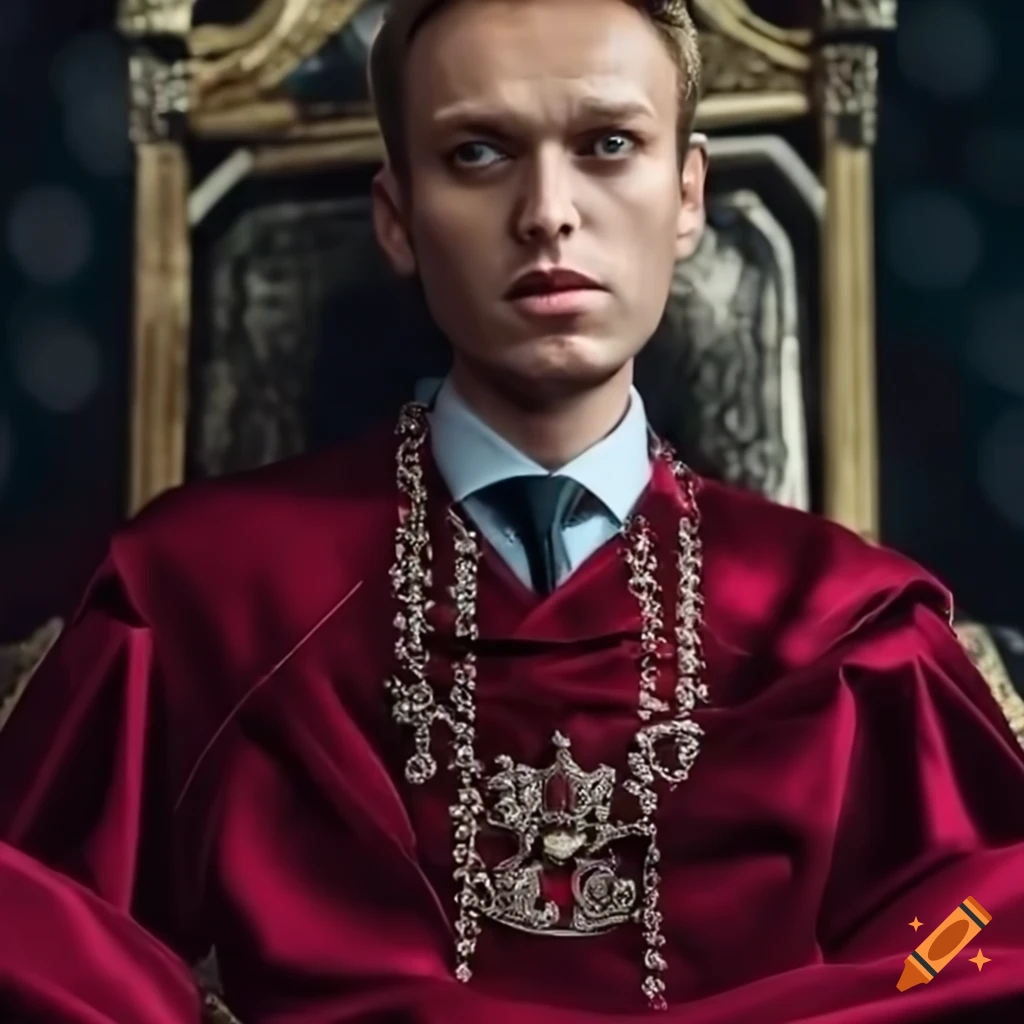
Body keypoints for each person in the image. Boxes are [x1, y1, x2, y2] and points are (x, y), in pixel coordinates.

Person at [2, 0, 1024, 1020]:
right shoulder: (203, 597)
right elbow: (32, 922)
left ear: (686, 195)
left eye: (607, 144)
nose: (547, 212)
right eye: (479, 152)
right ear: (398, 216)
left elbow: (978, 936)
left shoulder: (848, 629)